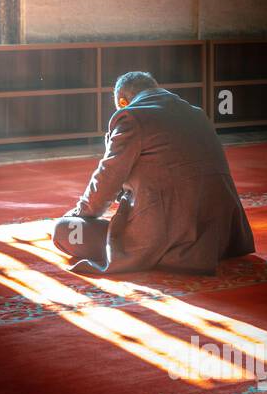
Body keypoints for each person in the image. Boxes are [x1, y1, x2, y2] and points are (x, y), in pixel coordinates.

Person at [53, 71, 255, 276]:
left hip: (168, 240)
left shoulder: (130, 117)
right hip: (223, 238)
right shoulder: (197, 113)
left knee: (65, 231)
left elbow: (107, 180)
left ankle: (158, 254)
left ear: (123, 101)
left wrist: (79, 214)